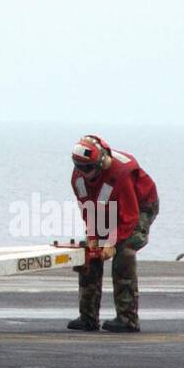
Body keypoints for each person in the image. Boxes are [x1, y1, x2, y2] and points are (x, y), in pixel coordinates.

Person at [66, 135, 158, 333]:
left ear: (100, 163)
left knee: (124, 252)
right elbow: (88, 209)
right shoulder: (79, 178)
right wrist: (92, 237)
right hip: (105, 208)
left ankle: (128, 319)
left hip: (140, 207)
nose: (85, 174)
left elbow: (130, 216)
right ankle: (88, 317)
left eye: (89, 169)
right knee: (88, 253)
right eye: (81, 168)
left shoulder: (121, 173)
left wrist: (111, 244)